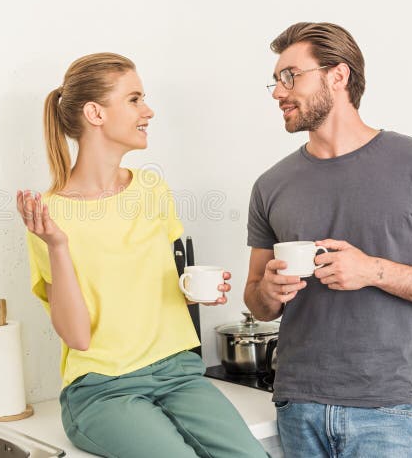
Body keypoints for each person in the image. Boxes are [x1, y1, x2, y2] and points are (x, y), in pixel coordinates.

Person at [244, 22, 412, 458]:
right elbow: (258, 303)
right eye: (276, 81)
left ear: (338, 76)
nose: (278, 92)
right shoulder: (271, 185)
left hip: (385, 409)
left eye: (290, 76)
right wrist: (267, 291)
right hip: (297, 405)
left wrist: (373, 270)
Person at [18, 53, 267, 458]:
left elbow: (149, 288)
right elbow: (78, 336)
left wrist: (193, 291)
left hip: (179, 374)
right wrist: (58, 247)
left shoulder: (151, 189)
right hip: (103, 389)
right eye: (134, 99)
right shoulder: (50, 216)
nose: (147, 110)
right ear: (95, 113)